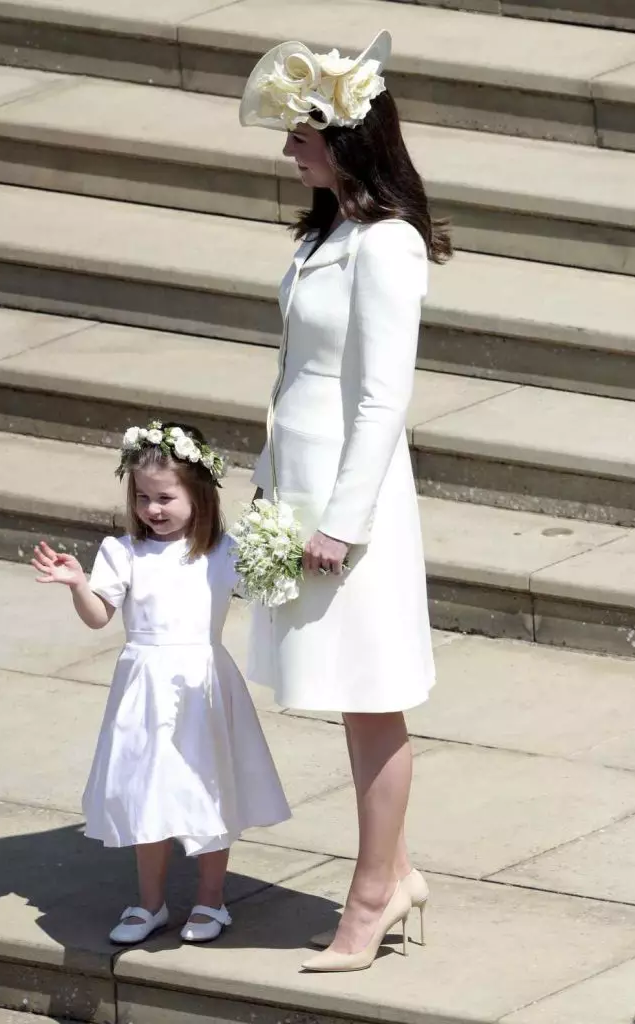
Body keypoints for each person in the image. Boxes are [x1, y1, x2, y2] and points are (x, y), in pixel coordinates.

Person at [239, 31, 452, 972]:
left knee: (372, 699)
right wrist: (270, 485)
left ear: (346, 139)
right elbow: (299, 376)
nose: (289, 147)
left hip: (348, 507)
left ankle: (369, 900)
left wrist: (342, 522)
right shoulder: (330, 229)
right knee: (350, 698)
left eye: (301, 133)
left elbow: (381, 396)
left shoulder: (389, 244)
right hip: (303, 486)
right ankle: (396, 871)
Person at [31, 421, 290, 946]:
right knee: (147, 794)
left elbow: (270, 591)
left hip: (202, 688)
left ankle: (211, 900)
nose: (153, 508)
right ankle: (149, 903)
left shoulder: (222, 552)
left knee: (208, 789)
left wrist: (285, 549)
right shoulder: (123, 552)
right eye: (144, 497)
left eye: (166, 497)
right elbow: (99, 616)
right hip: (144, 692)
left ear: (198, 494)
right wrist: (79, 584)